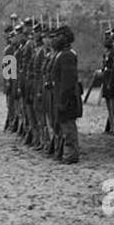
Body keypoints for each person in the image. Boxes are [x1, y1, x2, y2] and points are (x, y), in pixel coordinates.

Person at [48, 25, 81, 163]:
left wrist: (62, 100)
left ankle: (71, 154)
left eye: (59, 36)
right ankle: (66, 153)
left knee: (68, 127)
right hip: (61, 95)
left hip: (67, 97)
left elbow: (67, 81)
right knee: (63, 126)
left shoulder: (67, 55)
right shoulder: (62, 54)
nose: (55, 39)